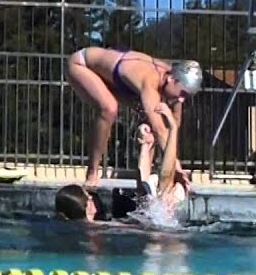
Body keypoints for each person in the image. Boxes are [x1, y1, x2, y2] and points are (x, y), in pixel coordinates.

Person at [66, 47, 203, 185]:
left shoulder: (175, 86)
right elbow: (160, 131)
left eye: (187, 96)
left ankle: (148, 176)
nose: (182, 100)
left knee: (150, 121)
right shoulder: (150, 81)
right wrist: (176, 168)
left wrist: (172, 166)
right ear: (171, 79)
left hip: (111, 78)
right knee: (109, 109)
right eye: (183, 94)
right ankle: (92, 172)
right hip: (81, 64)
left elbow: (173, 127)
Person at [54, 118, 187, 222]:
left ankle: (149, 141)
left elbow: (142, 191)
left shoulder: (103, 225)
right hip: (160, 229)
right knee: (162, 192)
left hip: (154, 224)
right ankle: (172, 130)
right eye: (89, 197)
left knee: (151, 196)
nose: (94, 196)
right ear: (88, 208)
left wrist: (145, 146)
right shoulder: (104, 227)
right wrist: (173, 129)